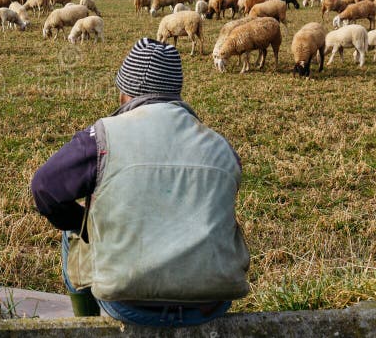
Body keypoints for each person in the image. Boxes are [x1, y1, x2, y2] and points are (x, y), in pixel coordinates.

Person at [31, 38, 250, 327]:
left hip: (129, 304)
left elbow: (44, 187)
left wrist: (82, 221)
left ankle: (89, 326)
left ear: (125, 92)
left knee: (73, 232)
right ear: (176, 92)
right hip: (210, 303)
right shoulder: (221, 146)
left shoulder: (103, 137)